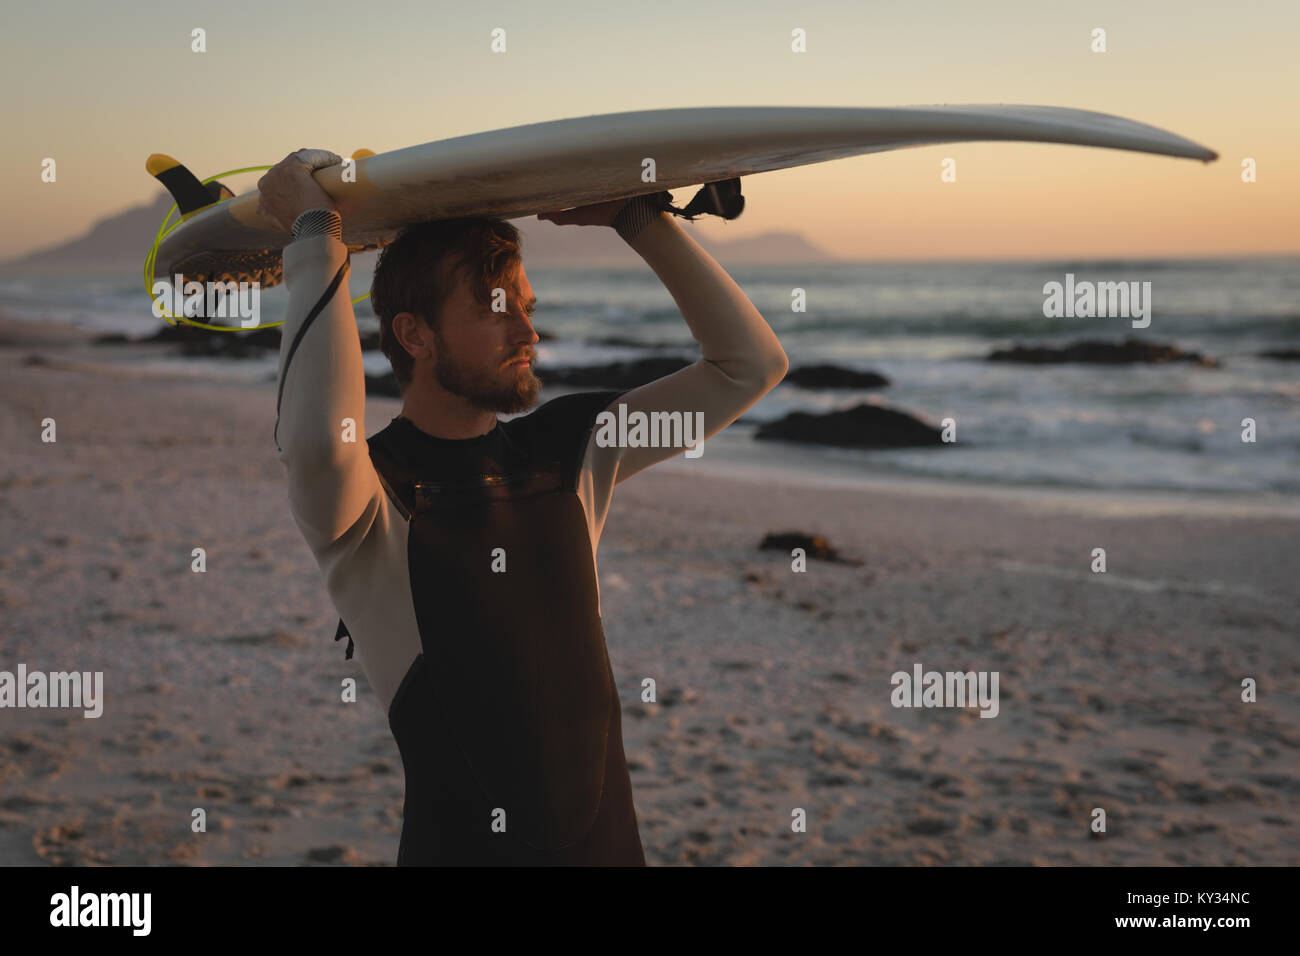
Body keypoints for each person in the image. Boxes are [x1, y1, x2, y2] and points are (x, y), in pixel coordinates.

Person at [258, 147, 788, 865]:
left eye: (529, 311)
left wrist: (640, 221)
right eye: (497, 311)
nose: (528, 334)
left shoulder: (574, 450)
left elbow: (748, 367)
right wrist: (315, 238)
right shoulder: (364, 494)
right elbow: (319, 440)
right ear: (415, 334)